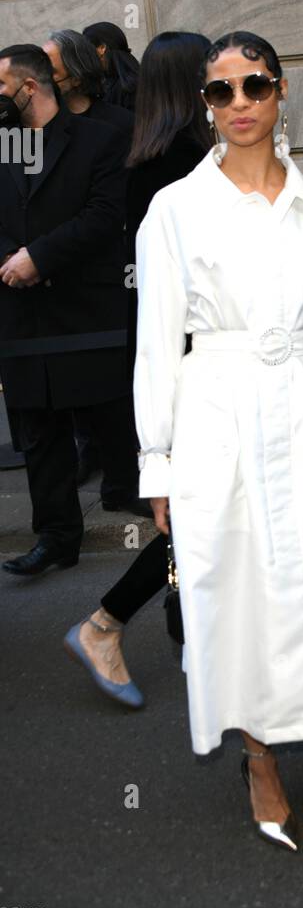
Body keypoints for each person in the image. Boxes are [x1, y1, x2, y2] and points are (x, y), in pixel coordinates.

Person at [133, 29, 303, 848]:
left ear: (283, 94)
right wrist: (158, 465)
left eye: (255, 86)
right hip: (215, 411)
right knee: (230, 587)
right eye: (221, 91)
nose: (239, 103)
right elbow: (155, 345)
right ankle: (258, 758)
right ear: (205, 106)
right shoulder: (173, 210)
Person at [63, 32, 212, 708]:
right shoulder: (182, 158)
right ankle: (107, 622)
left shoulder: (140, 151)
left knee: (198, 511)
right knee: (194, 513)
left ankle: (189, 642)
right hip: (192, 351)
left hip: (164, 346)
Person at [0, 45, 143, 577]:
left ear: (29, 88)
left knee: (110, 415)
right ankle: (56, 536)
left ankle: (138, 500)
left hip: (87, 309)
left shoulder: (100, 140)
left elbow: (105, 216)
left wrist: (40, 256)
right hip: (21, 312)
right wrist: (12, 264)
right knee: (37, 434)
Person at [42, 29, 139, 495]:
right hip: (56, 273)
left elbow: (117, 206)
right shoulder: (36, 132)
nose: (43, 79)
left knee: (111, 386)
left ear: (76, 75)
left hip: (105, 270)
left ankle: (122, 474)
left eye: (52, 70)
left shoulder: (117, 124)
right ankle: (88, 456)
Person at [83, 21, 140, 111]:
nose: (84, 56)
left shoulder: (128, 85)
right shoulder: (111, 80)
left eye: (86, 50)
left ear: (102, 48)